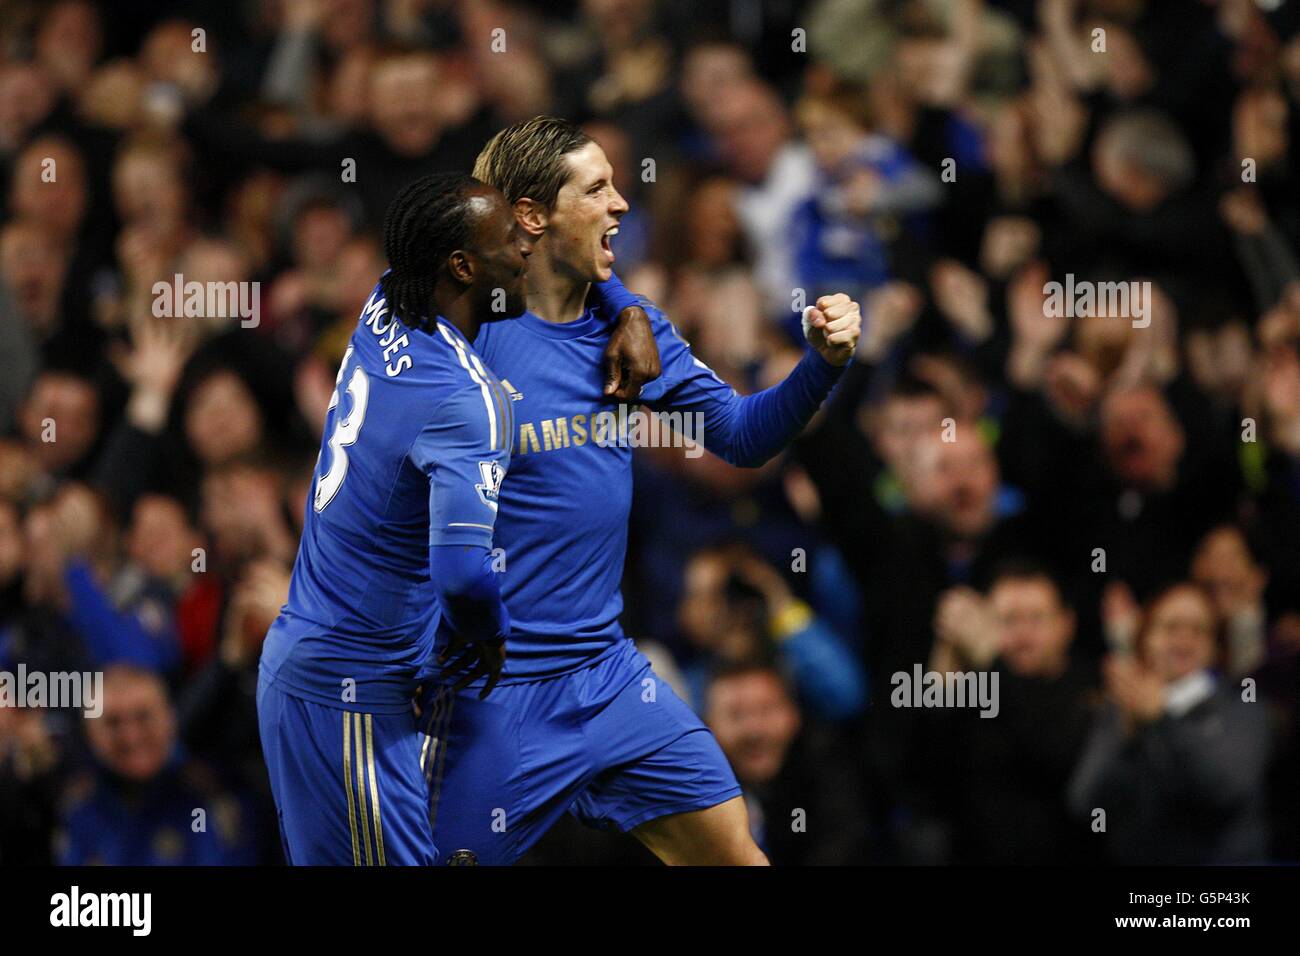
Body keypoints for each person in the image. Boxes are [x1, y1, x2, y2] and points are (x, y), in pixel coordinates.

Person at [416, 115, 860, 866]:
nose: (624, 204)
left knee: (737, 857)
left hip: (611, 676)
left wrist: (821, 364)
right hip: (493, 693)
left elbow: (744, 438)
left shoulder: (632, 331)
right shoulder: (458, 334)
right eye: (597, 189)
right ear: (532, 216)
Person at [256, 172, 533, 866]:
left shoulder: (384, 300)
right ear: (464, 267)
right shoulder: (470, 404)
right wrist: (489, 633)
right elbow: (465, 575)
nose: (527, 246)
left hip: (308, 670)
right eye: (510, 238)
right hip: (348, 694)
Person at [1068, 582, 1271, 864]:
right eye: (1170, 627)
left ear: (1215, 646)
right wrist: (1126, 735)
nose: (1183, 640)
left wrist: (1162, 719)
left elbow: (1225, 790)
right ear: (1145, 639)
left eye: (1198, 629)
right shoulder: (1125, 708)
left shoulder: (1243, 708)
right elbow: (1087, 802)